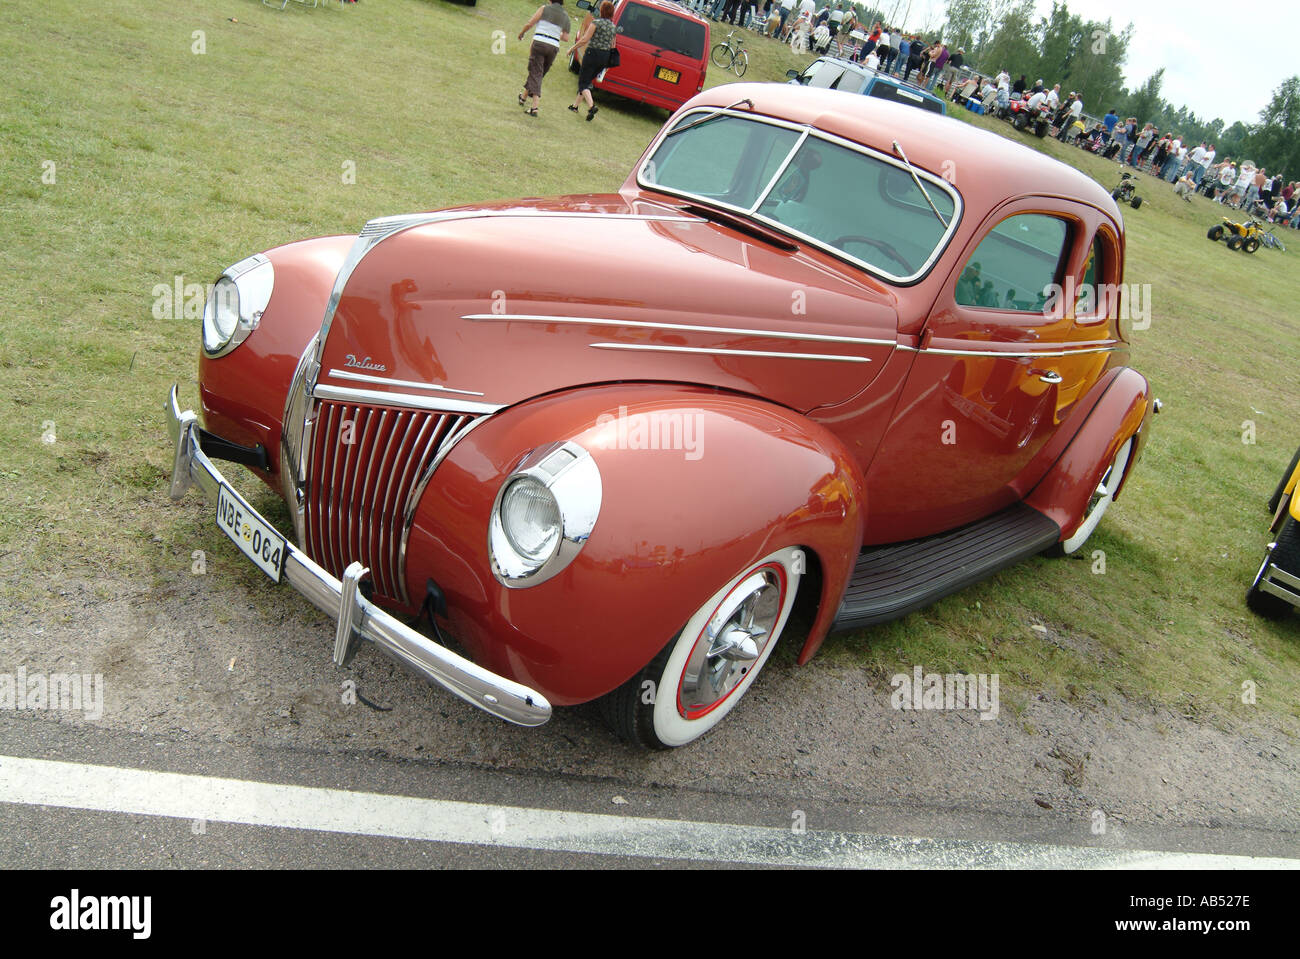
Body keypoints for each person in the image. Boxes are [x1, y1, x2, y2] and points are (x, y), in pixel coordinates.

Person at [517, 0, 571, 117]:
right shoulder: (566, 16)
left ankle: (534, 107)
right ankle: (523, 97)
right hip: (554, 47)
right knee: (538, 74)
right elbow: (566, 38)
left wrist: (522, 33)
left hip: (540, 42)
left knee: (536, 73)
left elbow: (530, 23)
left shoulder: (544, 8)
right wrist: (555, 33)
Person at [569, 1, 616, 121]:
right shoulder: (613, 27)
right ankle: (575, 106)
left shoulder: (596, 23)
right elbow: (613, 46)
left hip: (592, 53)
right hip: (604, 57)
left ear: (602, 11)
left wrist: (572, 48)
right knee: (587, 80)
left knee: (583, 82)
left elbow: (585, 39)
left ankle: (591, 106)